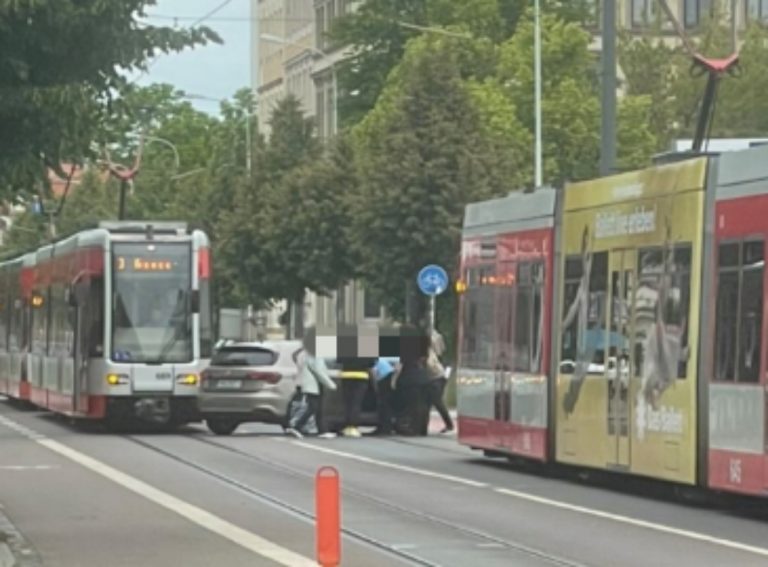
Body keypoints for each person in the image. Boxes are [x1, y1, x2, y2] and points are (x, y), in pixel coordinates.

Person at [286, 328, 338, 439]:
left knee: (317, 407)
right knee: (313, 407)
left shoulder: (307, 352)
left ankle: (322, 430)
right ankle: (296, 426)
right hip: (313, 384)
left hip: (310, 383)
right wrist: (330, 384)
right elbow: (318, 370)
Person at [392, 326, 432, 436]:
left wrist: (394, 380)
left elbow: (399, 365)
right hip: (423, 377)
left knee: (413, 405)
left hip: (410, 378)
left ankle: (414, 428)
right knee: (423, 405)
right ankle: (423, 428)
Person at [426, 333, 454, 433]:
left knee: (437, 402)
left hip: (437, 378)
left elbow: (431, 366)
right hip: (437, 377)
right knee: (431, 401)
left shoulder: (427, 353)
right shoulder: (428, 350)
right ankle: (424, 425)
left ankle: (449, 424)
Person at [370, 356, 396, 436]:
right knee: (385, 403)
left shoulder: (371, 361)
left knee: (383, 403)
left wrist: (376, 387)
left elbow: (373, 373)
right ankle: (384, 427)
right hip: (388, 375)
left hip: (385, 377)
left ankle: (385, 428)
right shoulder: (377, 359)